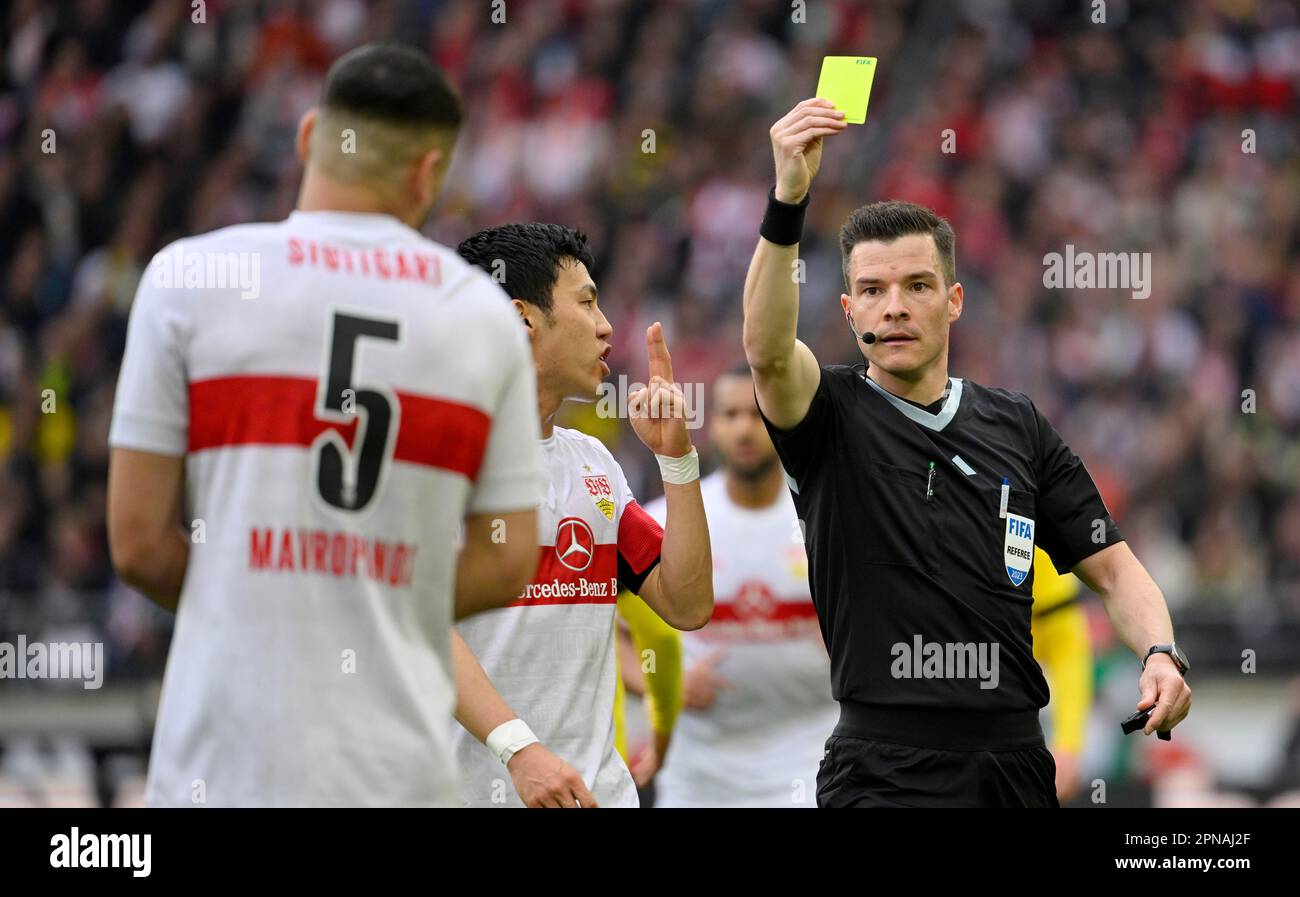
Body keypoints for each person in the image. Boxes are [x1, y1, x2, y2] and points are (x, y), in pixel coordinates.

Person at [106, 44, 542, 807]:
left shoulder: (187, 279)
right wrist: (374, 611)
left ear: (310, 136)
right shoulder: (480, 316)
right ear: (427, 172)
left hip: (224, 762)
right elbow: (507, 561)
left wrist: (260, 601)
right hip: (395, 771)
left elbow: (139, 544)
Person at [741, 98, 1191, 807]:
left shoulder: (1018, 425)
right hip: (880, 768)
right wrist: (789, 197)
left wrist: (1160, 652)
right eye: (872, 290)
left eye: (916, 286)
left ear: (953, 300)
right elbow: (766, 351)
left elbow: (1112, 564)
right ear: (848, 311)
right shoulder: (826, 415)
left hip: (1014, 765)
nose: (894, 306)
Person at [452, 223, 713, 808]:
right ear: (524, 319)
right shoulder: (442, 465)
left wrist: (677, 461)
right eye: (587, 302)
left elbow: (687, 603)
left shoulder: (593, 462)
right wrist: (521, 750)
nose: (605, 326)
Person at [641, 366, 838, 807]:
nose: (744, 429)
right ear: (712, 425)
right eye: (730, 415)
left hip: (810, 759)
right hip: (699, 772)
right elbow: (609, 625)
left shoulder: (827, 517)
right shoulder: (666, 519)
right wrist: (656, 681)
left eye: (757, 414)